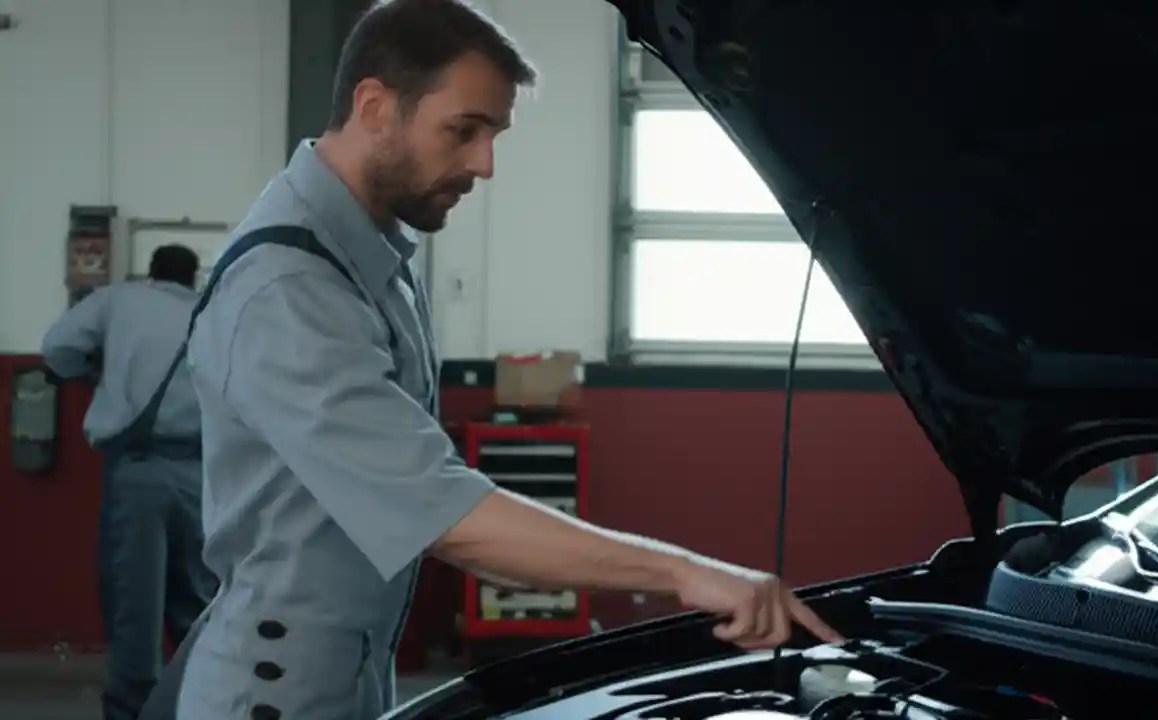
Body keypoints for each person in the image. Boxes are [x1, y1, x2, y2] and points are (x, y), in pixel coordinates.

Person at [164, 1, 843, 718]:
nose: (484, 165)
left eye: (493, 135)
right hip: (272, 696)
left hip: (340, 674)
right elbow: (445, 516)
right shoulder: (291, 288)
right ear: (373, 106)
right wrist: (684, 573)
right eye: (463, 131)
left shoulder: (368, 257)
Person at [41, 244, 218, 720]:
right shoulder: (213, 308)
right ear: (192, 276)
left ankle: (133, 712)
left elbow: (58, 349)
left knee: (134, 606)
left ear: (151, 272)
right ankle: (205, 705)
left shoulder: (119, 300)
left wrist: (93, 370)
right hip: (204, 475)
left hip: (140, 471)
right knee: (199, 605)